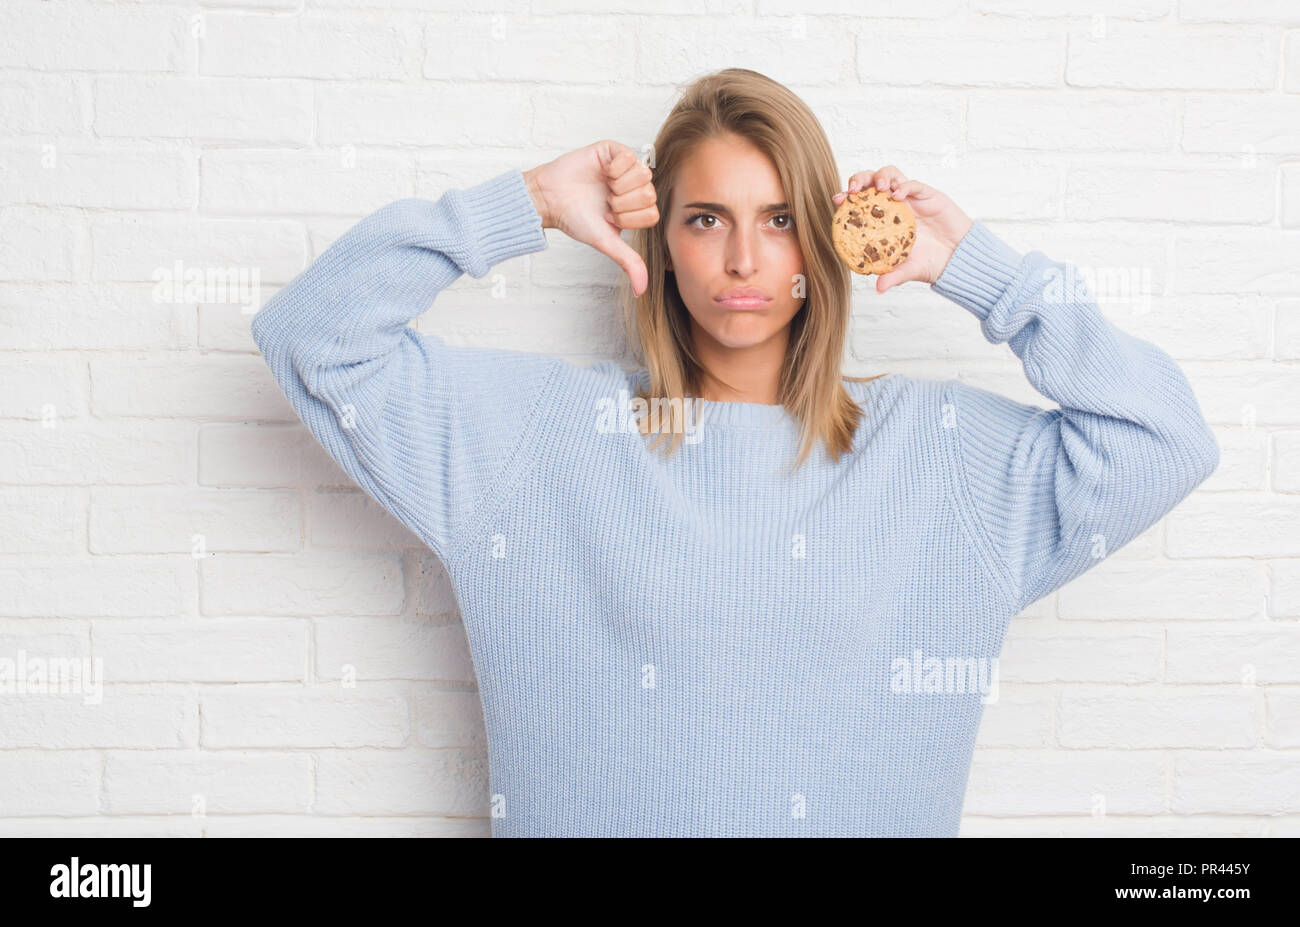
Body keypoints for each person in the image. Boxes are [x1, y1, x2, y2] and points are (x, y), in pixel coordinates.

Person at [251, 68, 1219, 837]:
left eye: (781, 221)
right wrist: (528, 202)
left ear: (825, 248)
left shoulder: (942, 460)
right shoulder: (539, 439)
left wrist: (986, 274)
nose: (745, 262)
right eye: (706, 219)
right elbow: (315, 340)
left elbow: (1163, 440)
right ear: (661, 241)